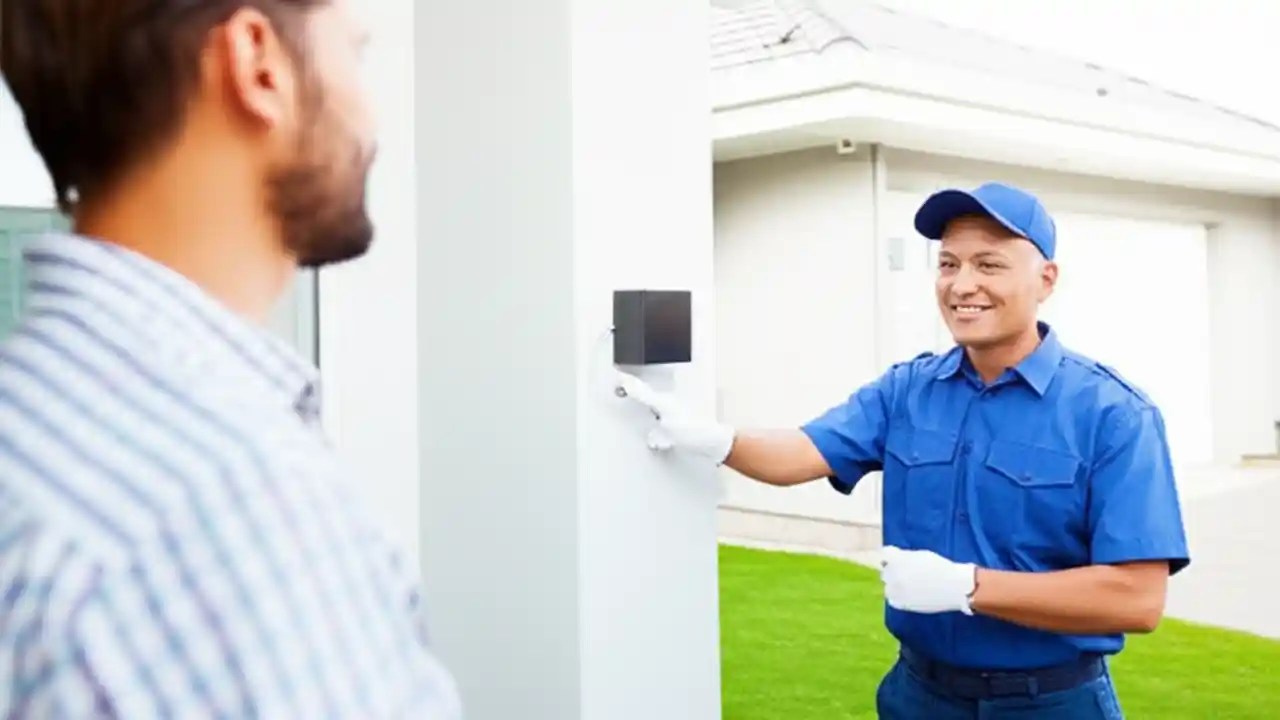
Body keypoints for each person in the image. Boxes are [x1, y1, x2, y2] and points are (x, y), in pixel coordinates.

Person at [0, 1, 459, 717]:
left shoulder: (30, 423)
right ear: (258, 63)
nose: (371, 120)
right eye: (356, 55)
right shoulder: (235, 510)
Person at [617, 181, 1189, 719]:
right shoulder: (907, 391)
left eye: (989, 264)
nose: (962, 284)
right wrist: (715, 439)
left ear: (1046, 278)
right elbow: (800, 453)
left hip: (1049, 702)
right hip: (920, 695)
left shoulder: (1113, 414)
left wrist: (969, 588)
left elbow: (1135, 598)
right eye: (948, 264)